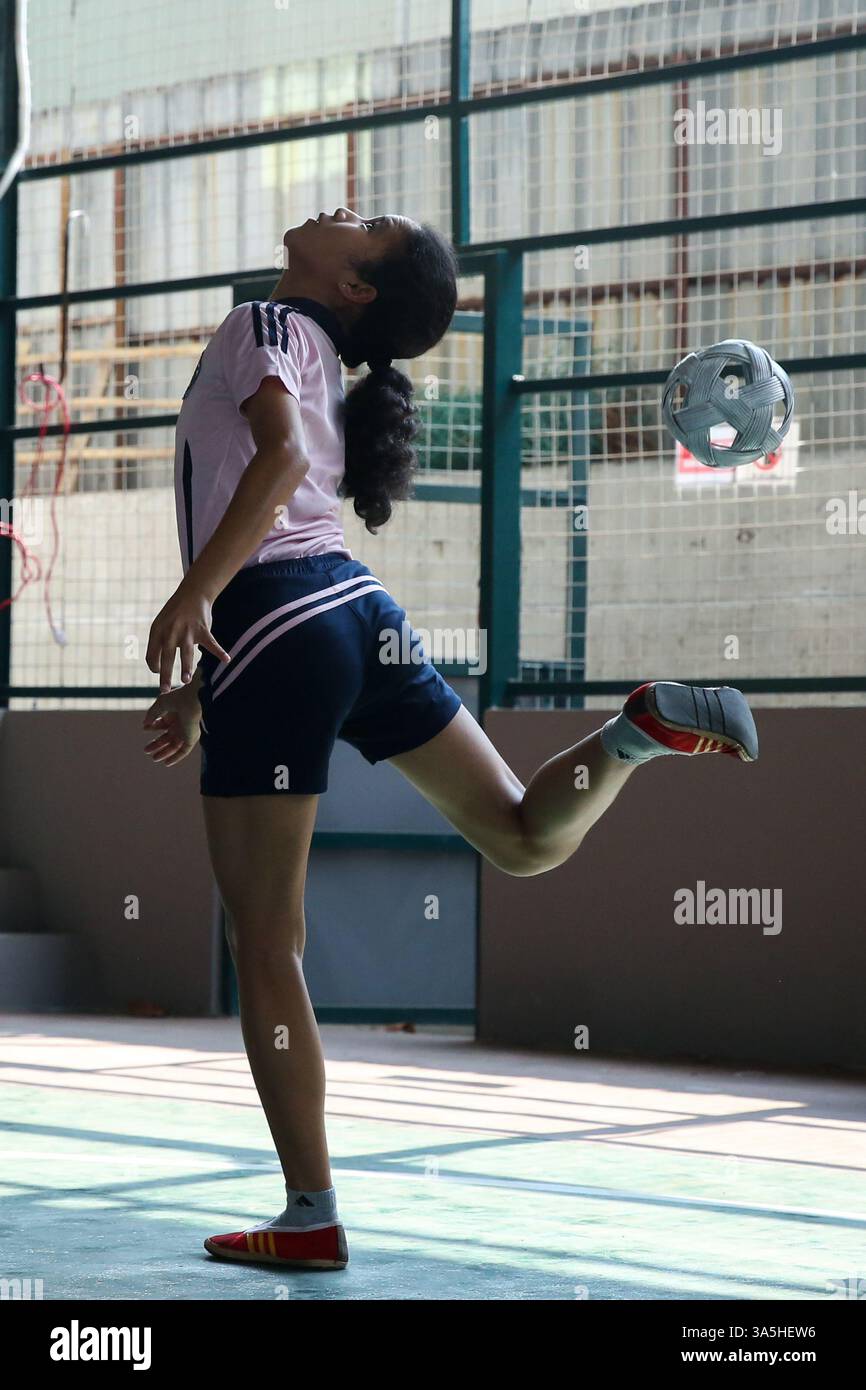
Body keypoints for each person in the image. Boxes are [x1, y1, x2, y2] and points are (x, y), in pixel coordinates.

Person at [142, 207, 758, 1271]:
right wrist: (210, 682)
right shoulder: (323, 353)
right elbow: (278, 509)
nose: (342, 208)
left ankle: (309, 1214)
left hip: (277, 622)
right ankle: (631, 732)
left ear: (355, 286)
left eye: (365, 224)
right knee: (522, 837)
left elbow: (277, 467)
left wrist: (193, 603)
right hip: (351, 615)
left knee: (266, 942)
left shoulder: (265, 326)